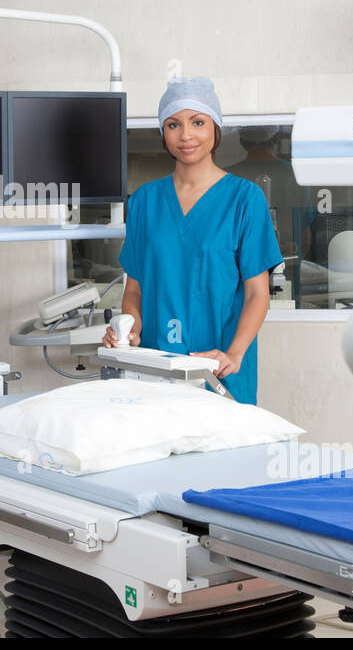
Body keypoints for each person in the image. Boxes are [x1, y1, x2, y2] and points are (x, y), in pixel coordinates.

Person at [104, 77, 282, 405]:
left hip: (219, 368)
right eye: (174, 124)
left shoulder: (244, 200)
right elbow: (135, 289)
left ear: (216, 129)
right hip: (156, 366)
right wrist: (129, 328)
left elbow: (257, 293)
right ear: (162, 132)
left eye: (197, 122)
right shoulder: (144, 201)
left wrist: (235, 353)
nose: (186, 135)